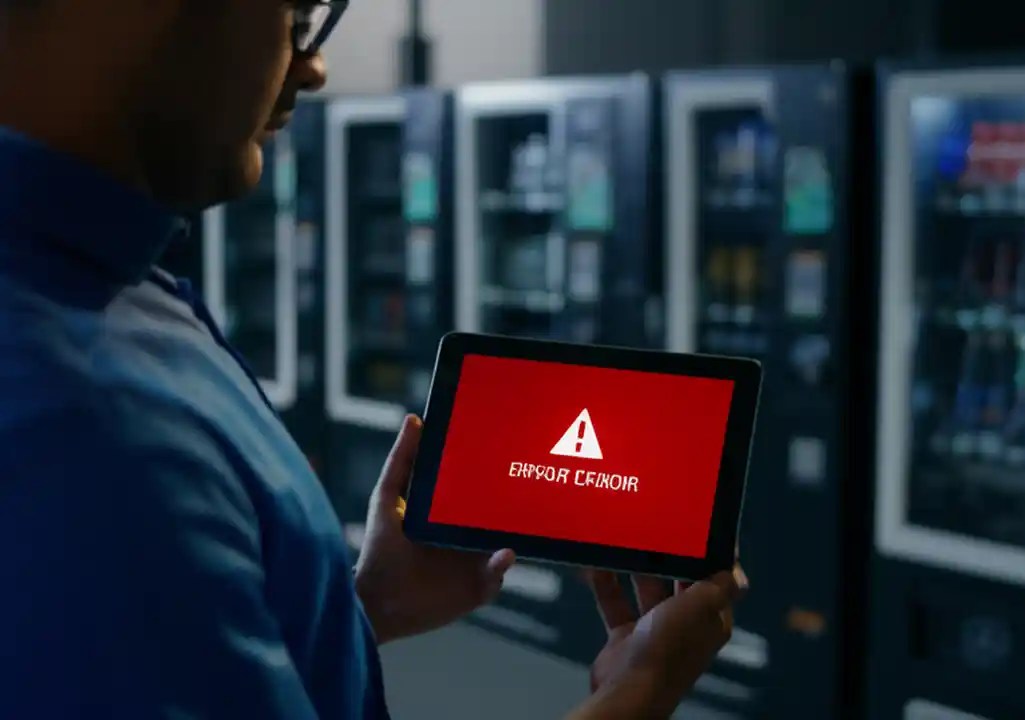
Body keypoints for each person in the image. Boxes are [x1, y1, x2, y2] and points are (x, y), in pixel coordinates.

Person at [0, 1, 747, 718]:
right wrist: (639, 692)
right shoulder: (93, 428)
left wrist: (360, 605)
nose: (315, 65)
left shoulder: (110, 285)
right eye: (294, 15)